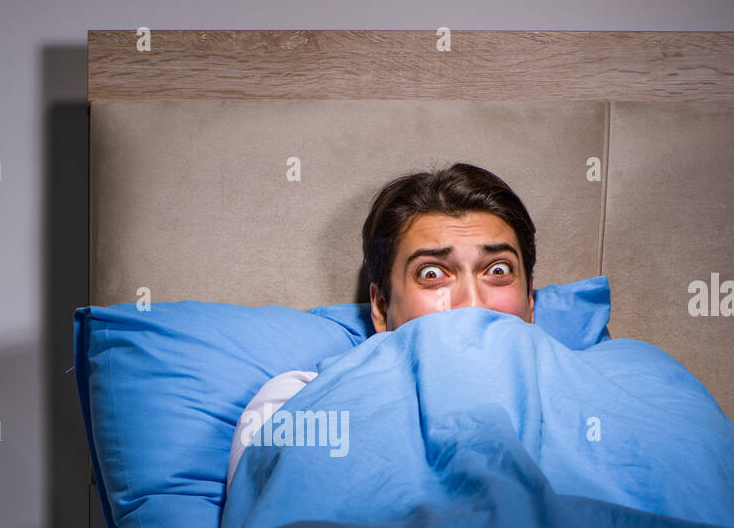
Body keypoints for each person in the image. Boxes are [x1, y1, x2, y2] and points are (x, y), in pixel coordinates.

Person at [227, 162, 538, 488]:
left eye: (498, 270)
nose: (472, 303)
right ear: (380, 306)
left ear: (529, 299)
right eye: (431, 274)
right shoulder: (295, 403)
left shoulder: (591, 394)